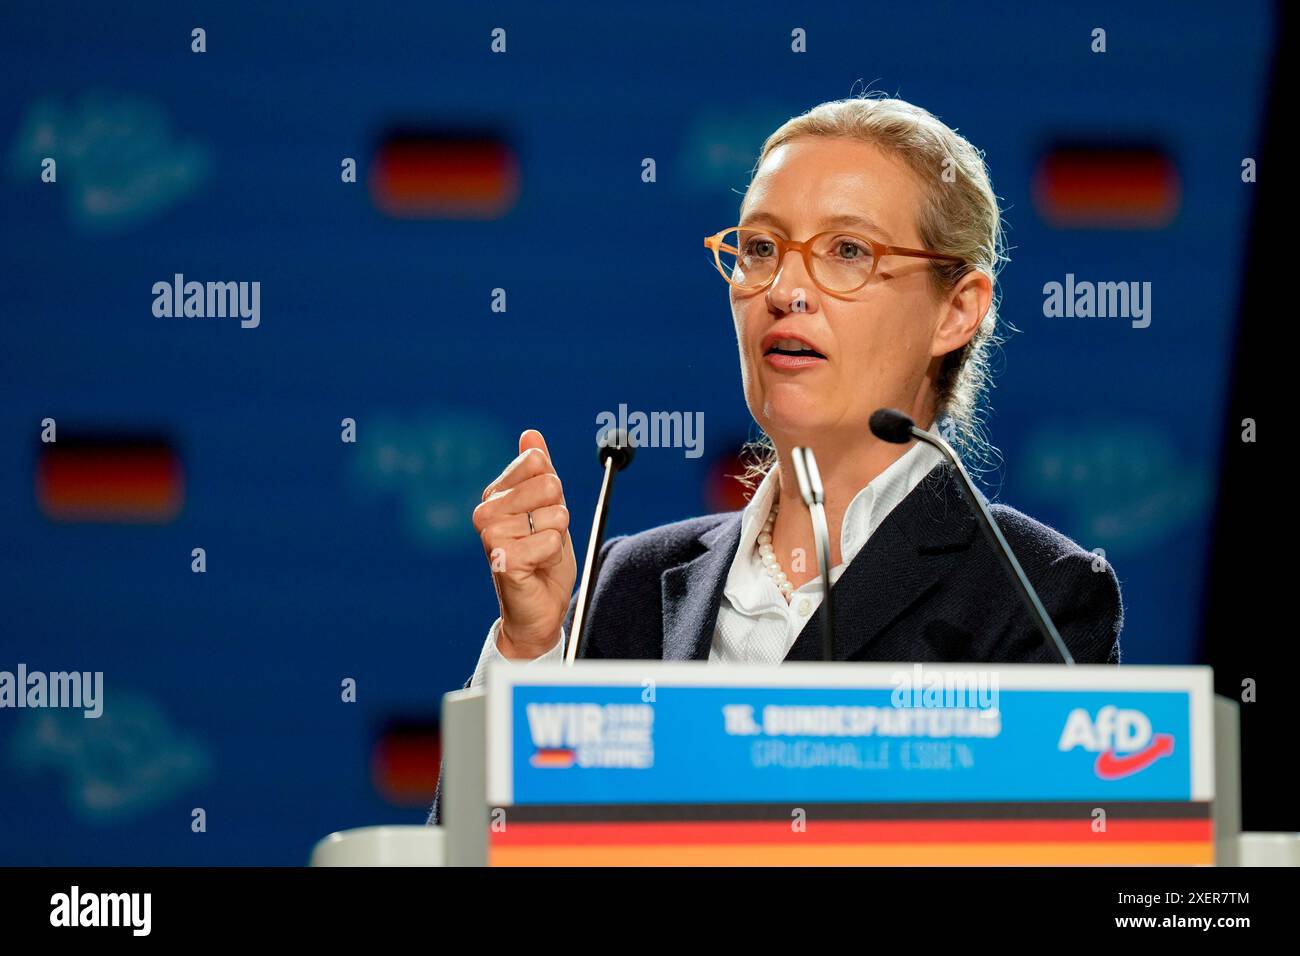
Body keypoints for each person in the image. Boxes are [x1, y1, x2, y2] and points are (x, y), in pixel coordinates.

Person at [427, 95, 1122, 826]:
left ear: (956, 310)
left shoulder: (1035, 593)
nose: (785, 292)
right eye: (759, 249)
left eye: (848, 252)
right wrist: (533, 651)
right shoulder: (629, 582)